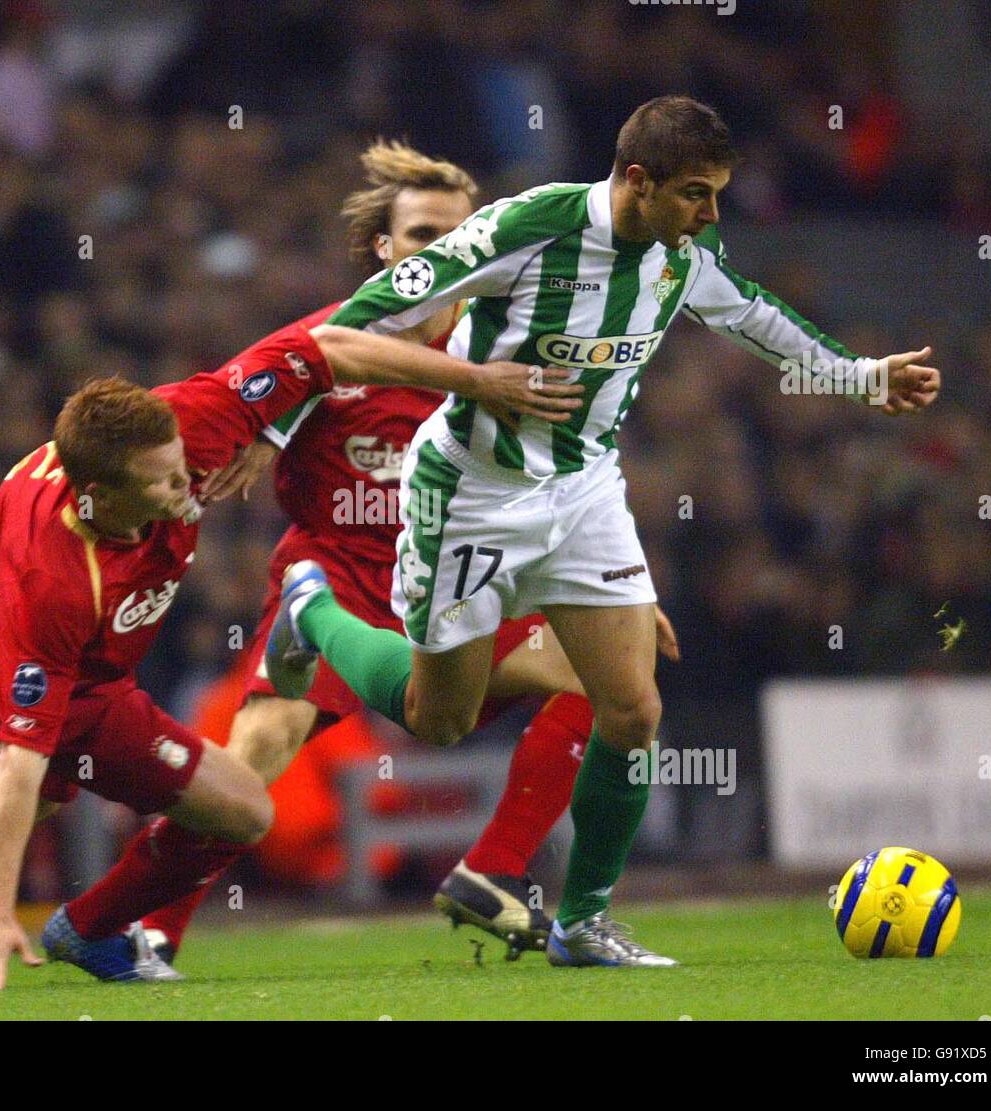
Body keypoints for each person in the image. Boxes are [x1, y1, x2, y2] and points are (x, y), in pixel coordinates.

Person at [265, 96, 941, 968]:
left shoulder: (681, 255)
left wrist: (861, 376)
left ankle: (582, 922)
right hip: (471, 489)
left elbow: (755, 316)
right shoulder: (526, 227)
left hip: (584, 491)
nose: (709, 214)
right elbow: (354, 324)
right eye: (696, 194)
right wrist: (474, 379)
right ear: (635, 179)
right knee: (440, 718)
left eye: (716, 196)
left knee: (631, 707)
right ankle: (309, 606)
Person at [0, 291, 572, 991]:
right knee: (37, 790)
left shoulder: (195, 421)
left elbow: (334, 344)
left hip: (104, 666)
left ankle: (4, 918)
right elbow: (21, 753)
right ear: (99, 496)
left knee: (230, 808)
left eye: (184, 467)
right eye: (165, 484)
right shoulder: (48, 577)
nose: (189, 489)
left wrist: (470, 380)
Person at [132, 140, 679, 966]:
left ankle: (491, 870)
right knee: (251, 761)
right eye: (423, 235)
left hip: (464, 586)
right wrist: (254, 430)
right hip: (342, 584)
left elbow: (563, 476)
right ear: (385, 251)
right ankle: (148, 931)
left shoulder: (502, 339)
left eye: (461, 235)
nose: (446, 252)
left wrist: (615, 593)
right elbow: (245, 391)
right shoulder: (338, 339)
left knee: (605, 682)